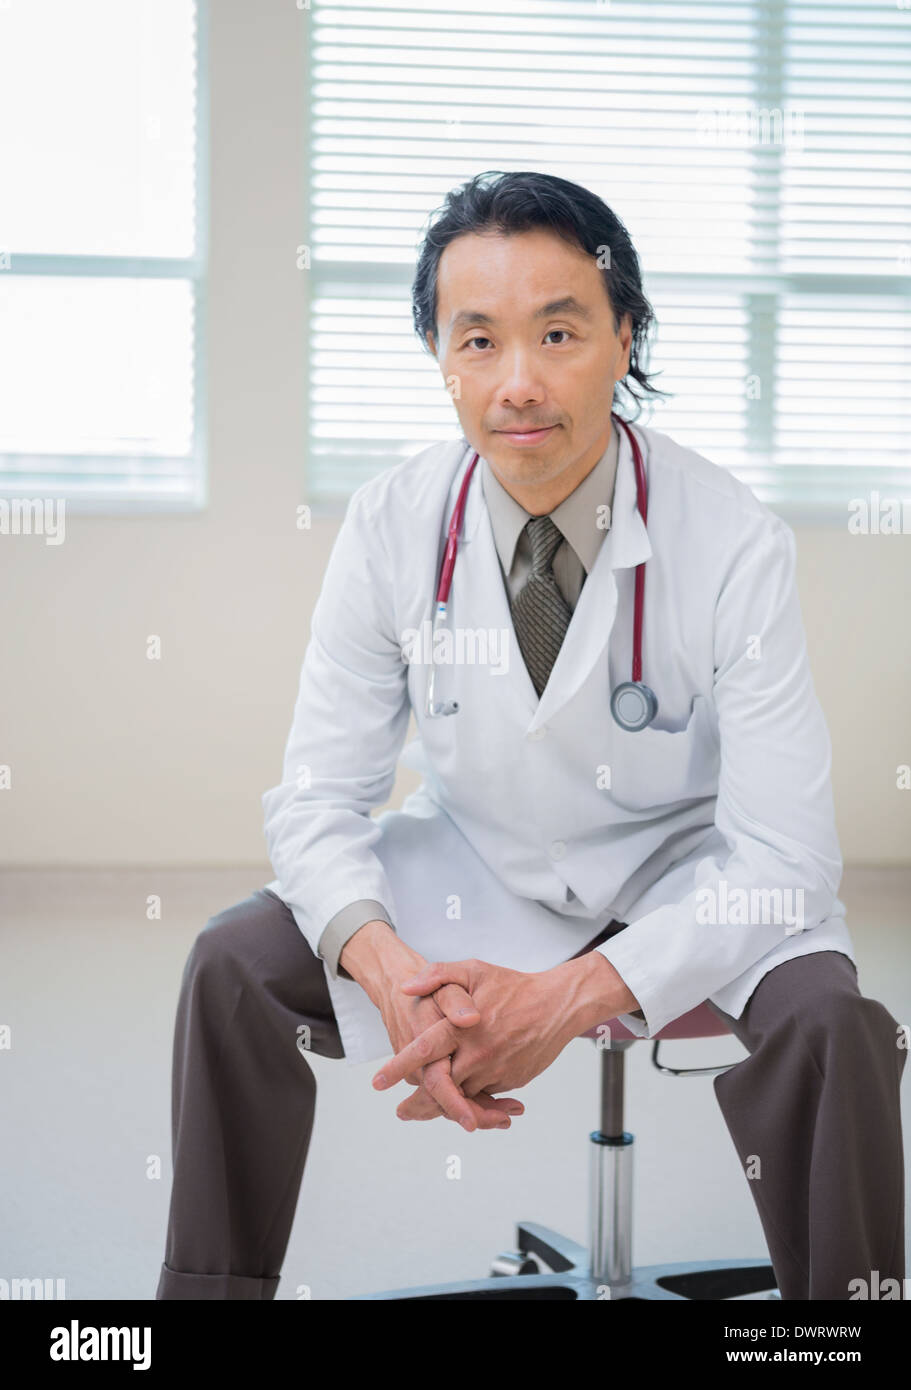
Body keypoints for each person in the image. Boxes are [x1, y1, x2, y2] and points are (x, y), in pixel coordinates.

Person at [156, 170, 906, 1301]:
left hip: (685, 874)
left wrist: (565, 998)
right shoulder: (393, 525)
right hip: (475, 863)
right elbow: (316, 799)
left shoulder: (730, 539)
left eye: (558, 331)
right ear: (437, 355)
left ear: (623, 337)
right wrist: (389, 967)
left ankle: (835, 1328)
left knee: (834, 1026)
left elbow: (784, 857)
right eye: (477, 340)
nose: (518, 383)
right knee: (231, 964)